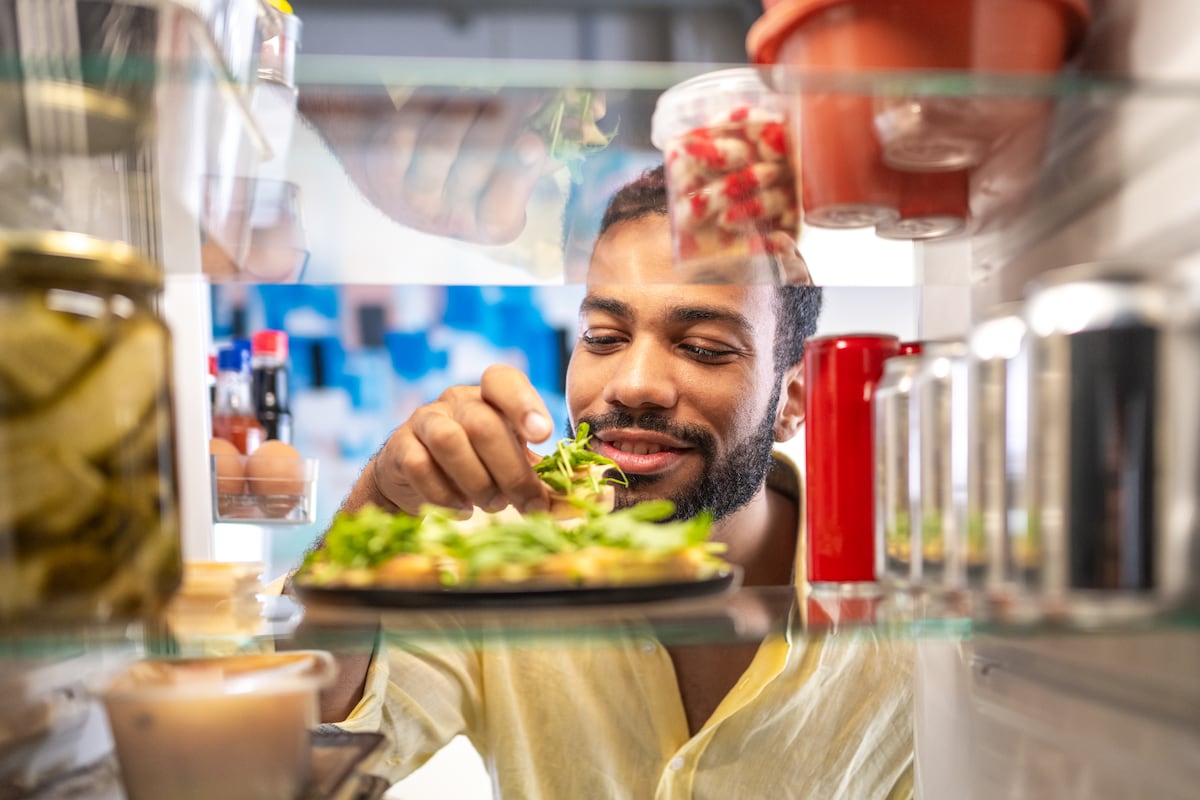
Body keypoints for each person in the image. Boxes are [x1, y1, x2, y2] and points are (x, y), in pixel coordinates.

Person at [309, 166, 914, 798]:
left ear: (792, 399)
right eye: (604, 337)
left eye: (705, 347)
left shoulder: (913, 591)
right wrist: (375, 505)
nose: (632, 384)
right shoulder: (496, 555)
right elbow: (307, 756)